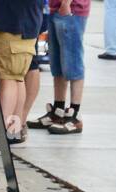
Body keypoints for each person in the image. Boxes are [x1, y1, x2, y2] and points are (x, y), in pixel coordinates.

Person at [0, 0, 44, 145]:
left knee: (10, 78)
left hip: (17, 22)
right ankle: (13, 129)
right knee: (14, 78)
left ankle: (0, 134)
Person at [29, 0, 88, 133]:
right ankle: (58, 110)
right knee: (57, 64)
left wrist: (66, 3)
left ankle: (74, 115)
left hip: (71, 10)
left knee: (73, 61)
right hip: (55, 9)